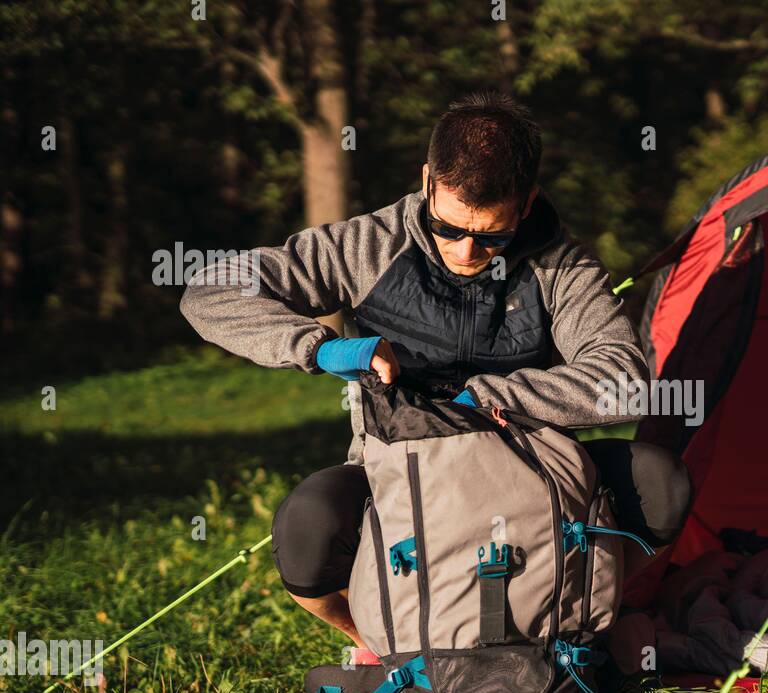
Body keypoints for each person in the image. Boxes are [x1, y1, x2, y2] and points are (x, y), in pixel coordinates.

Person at [181, 91, 689, 647]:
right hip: (396, 474)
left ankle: (574, 620)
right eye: (449, 229)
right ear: (427, 181)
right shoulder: (367, 245)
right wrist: (324, 348)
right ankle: (385, 648)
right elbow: (210, 290)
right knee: (307, 527)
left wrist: (495, 397)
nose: (467, 252)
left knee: (659, 484)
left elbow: (626, 381)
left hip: (528, 472)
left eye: (491, 236)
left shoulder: (562, 266)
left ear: (528, 202)